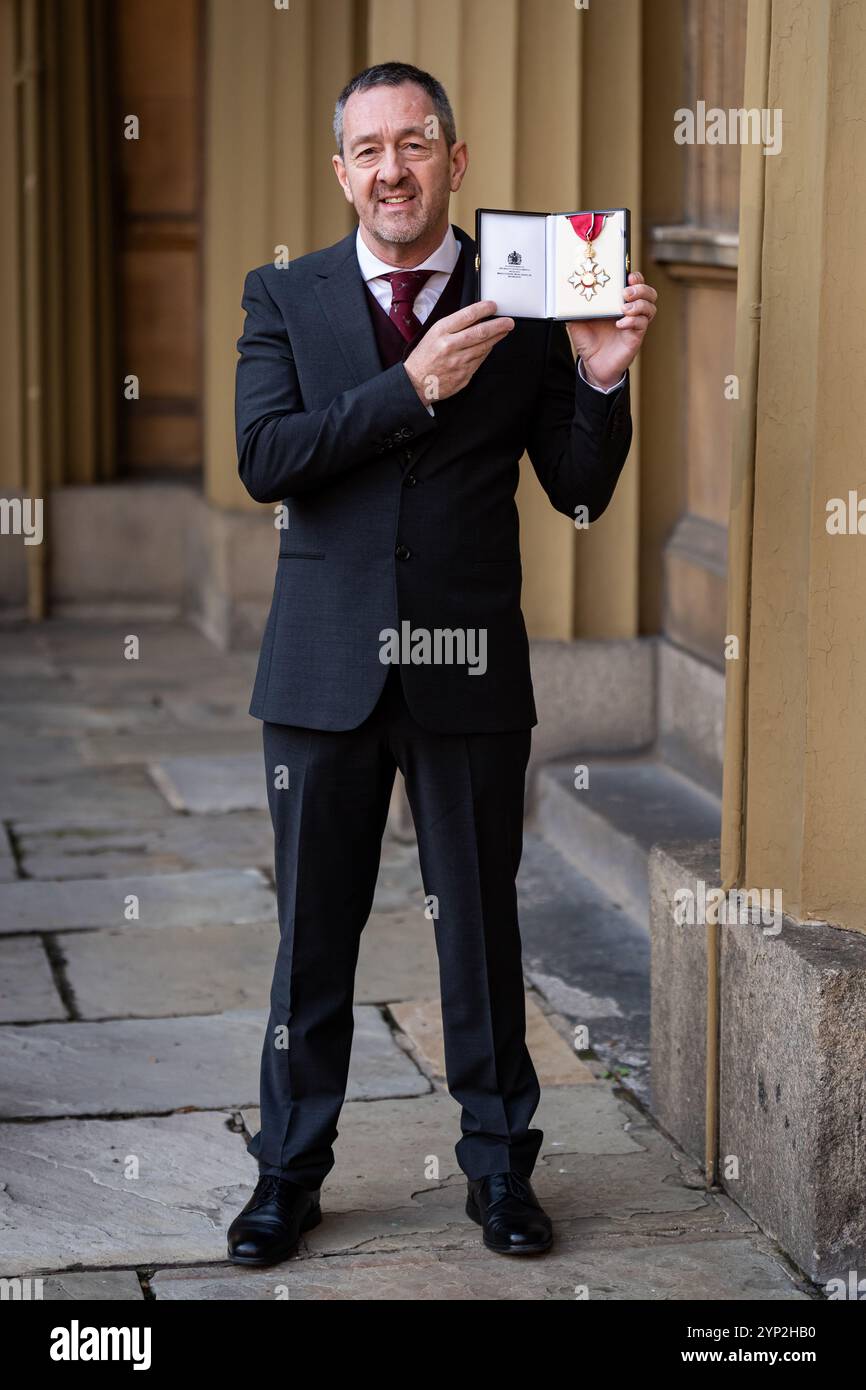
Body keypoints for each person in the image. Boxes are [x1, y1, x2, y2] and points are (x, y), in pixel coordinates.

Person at [227, 60, 657, 1266]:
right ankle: (285, 1174)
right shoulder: (284, 294)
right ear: (340, 172)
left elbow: (574, 492)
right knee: (312, 937)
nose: (391, 170)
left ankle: (499, 1173)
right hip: (320, 674)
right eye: (367, 150)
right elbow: (268, 457)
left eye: (414, 145)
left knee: (478, 930)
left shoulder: (521, 290)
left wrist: (597, 377)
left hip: (466, 667)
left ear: (453, 161)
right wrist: (407, 388)